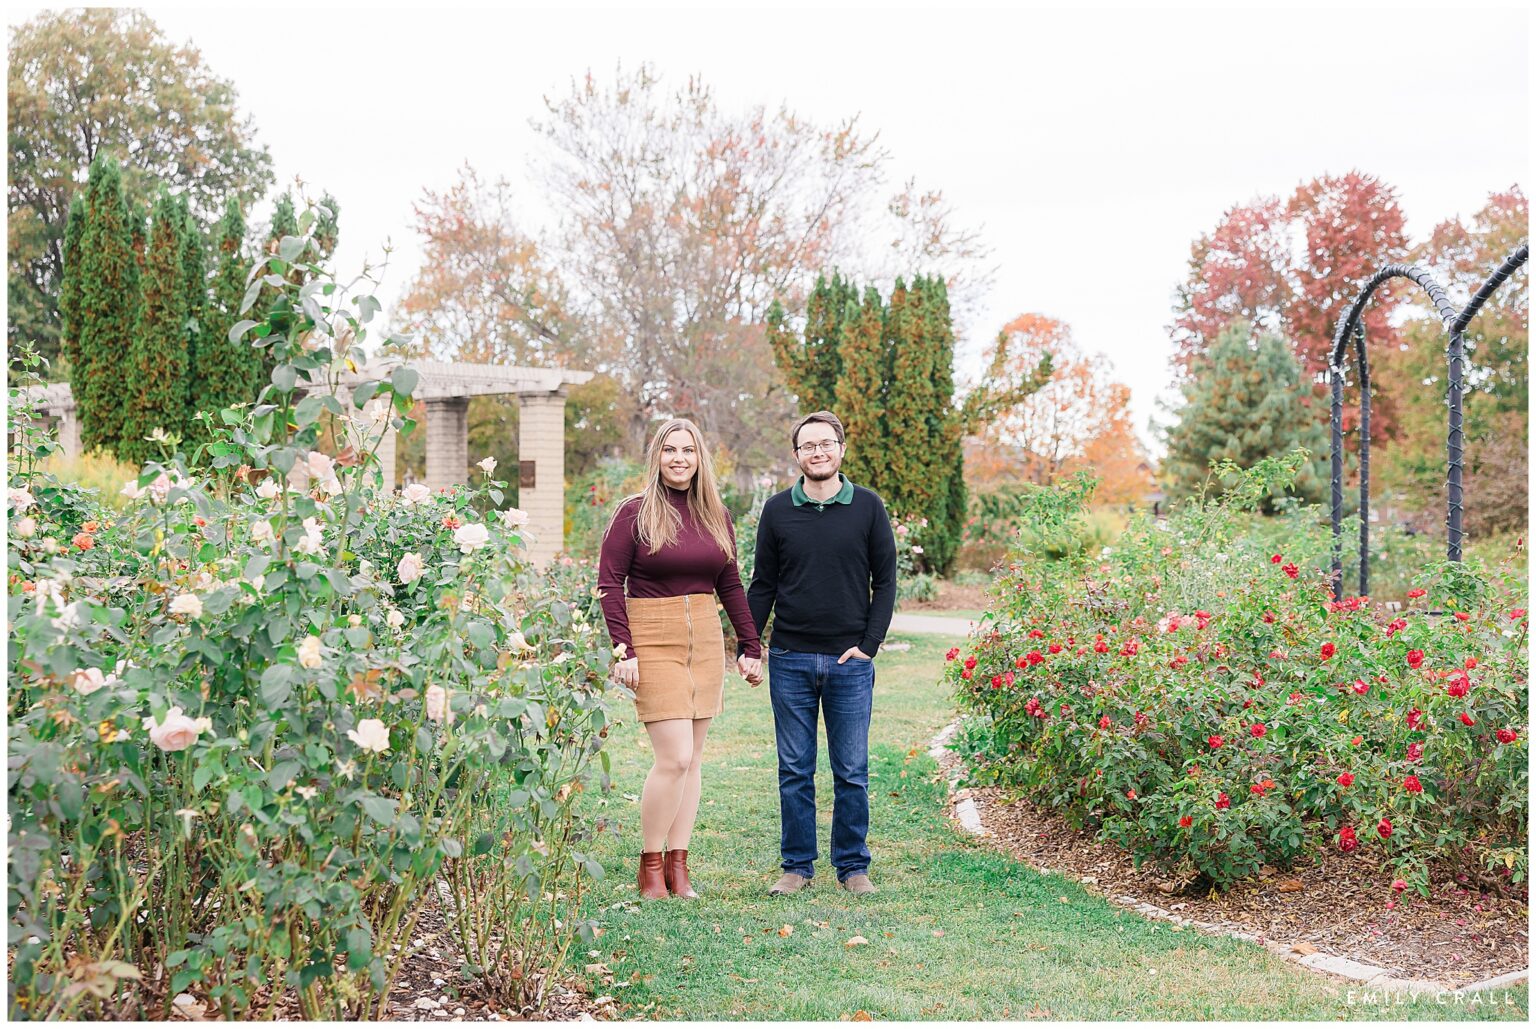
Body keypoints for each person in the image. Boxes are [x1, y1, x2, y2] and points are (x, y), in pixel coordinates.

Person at [598, 418, 764, 900]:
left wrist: (751, 646)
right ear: (657, 457)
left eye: (687, 451)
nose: (678, 459)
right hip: (653, 637)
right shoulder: (633, 513)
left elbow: (730, 584)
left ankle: (679, 865)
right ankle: (650, 866)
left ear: (699, 458)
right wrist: (623, 648)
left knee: (694, 763)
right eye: (669, 450)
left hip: (706, 640)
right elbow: (610, 583)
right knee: (675, 758)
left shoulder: (716, 514)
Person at [746, 411, 897, 896]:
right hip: (789, 658)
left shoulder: (868, 508)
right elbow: (763, 584)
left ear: (841, 449)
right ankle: (797, 867)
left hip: (848, 663)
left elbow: (887, 581)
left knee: (851, 771)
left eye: (825, 443)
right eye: (808, 445)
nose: (817, 451)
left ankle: (853, 867)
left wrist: (869, 645)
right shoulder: (776, 511)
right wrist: (750, 644)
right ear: (796, 455)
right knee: (794, 769)